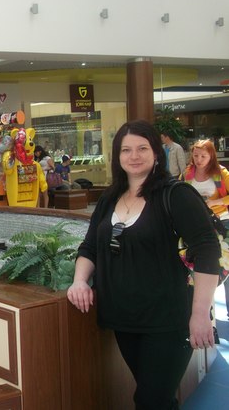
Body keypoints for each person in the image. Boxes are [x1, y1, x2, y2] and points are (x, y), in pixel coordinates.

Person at [67, 120, 220, 410]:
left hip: (168, 320)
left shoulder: (175, 195)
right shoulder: (109, 198)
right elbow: (90, 247)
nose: (134, 156)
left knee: (150, 401)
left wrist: (200, 314)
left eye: (142, 148)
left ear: (156, 153)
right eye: (126, 150)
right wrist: (79, 281)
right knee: (157, 399)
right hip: (124, 319)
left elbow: (208, 251)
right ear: (117, 156)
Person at [180, 138, 229, 318]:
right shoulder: (188, 174)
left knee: (224, 266)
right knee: (195, 266)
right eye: (196, 155)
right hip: (196, 226)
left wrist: (214, 202)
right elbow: (180, 195)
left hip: (221, 223)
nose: (199, 159)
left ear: (211, 156)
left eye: (203, 156)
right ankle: (201, 310)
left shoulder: (219, 173)